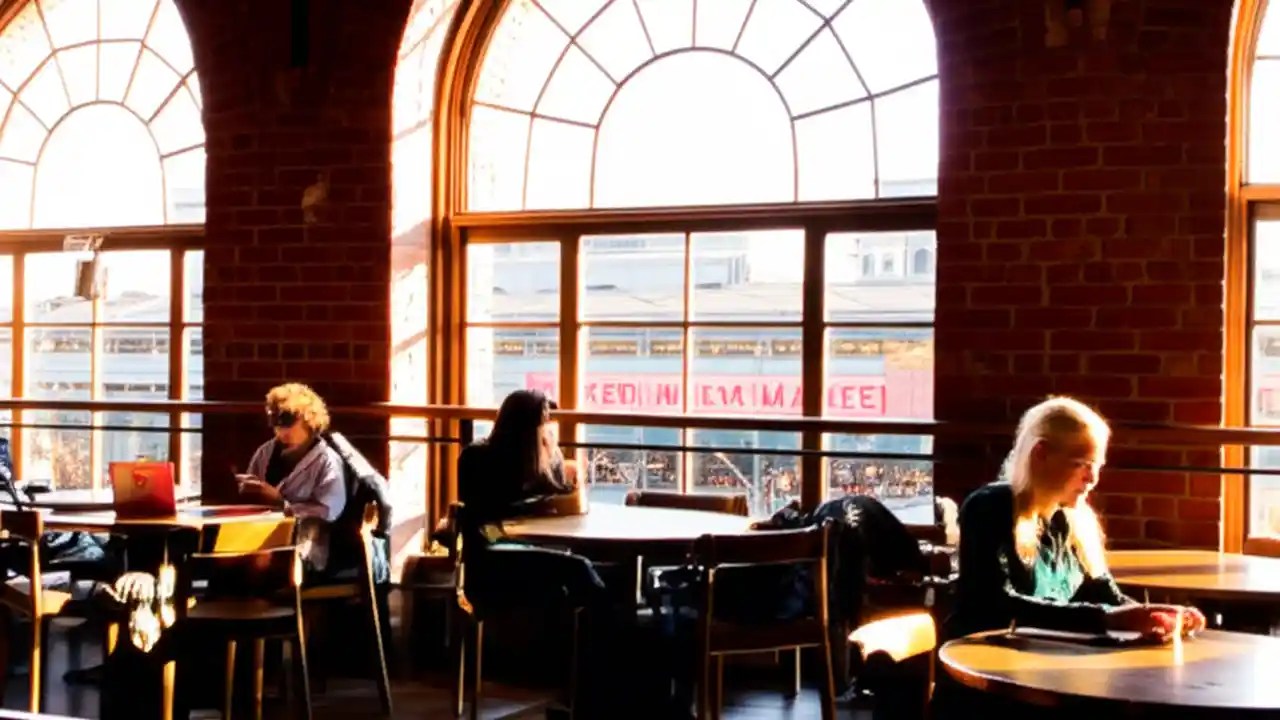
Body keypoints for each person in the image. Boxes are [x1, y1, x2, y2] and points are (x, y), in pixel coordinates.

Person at [946, 396, 1206, 641]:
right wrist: (1110, 619)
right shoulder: (990, 507)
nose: (1092, 478)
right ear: (1041, 454)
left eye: (1097, 467)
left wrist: (1155, 615)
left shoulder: (1071, 521)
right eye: (1081, 464)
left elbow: (1107, 596)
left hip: (1042, 660)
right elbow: (997, 605)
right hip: (982, 668)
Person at [238, 382, 347, 571]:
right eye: (276, 425)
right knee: (223, 556)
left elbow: (329, 510)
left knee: (258, 561)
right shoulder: (266, 452)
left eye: (288, 423)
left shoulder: (326, 461)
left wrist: (283, 504)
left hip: (303, 543)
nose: (282, 433)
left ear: (308, 420)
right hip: (257, 533)